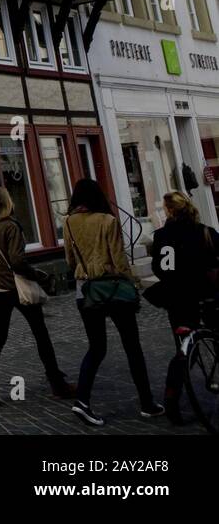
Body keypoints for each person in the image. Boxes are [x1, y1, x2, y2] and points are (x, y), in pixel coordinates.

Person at [64, 178, 163, 426]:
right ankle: (147, 403)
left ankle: (82, 401)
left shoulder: (68, 222)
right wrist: (132, 284)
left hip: (85, 290)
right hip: (113, 288)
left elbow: (69, 260)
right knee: (132, 346)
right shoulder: (108, 221)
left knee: (96, 347)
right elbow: (119, 261)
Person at [0, 187, 76, 406]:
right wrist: (38, 275)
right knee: (41, 334)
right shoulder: (10, 226)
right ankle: (57, 383)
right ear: (5, 203)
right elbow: (17, 261)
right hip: (17, 289)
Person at [148, 191, 219, 420]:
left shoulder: (162, 236)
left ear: (169, 211)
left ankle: (171, 399)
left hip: (178, 299)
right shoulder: (205, 232)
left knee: (184, 351)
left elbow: (161, 269)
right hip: (207, 296)